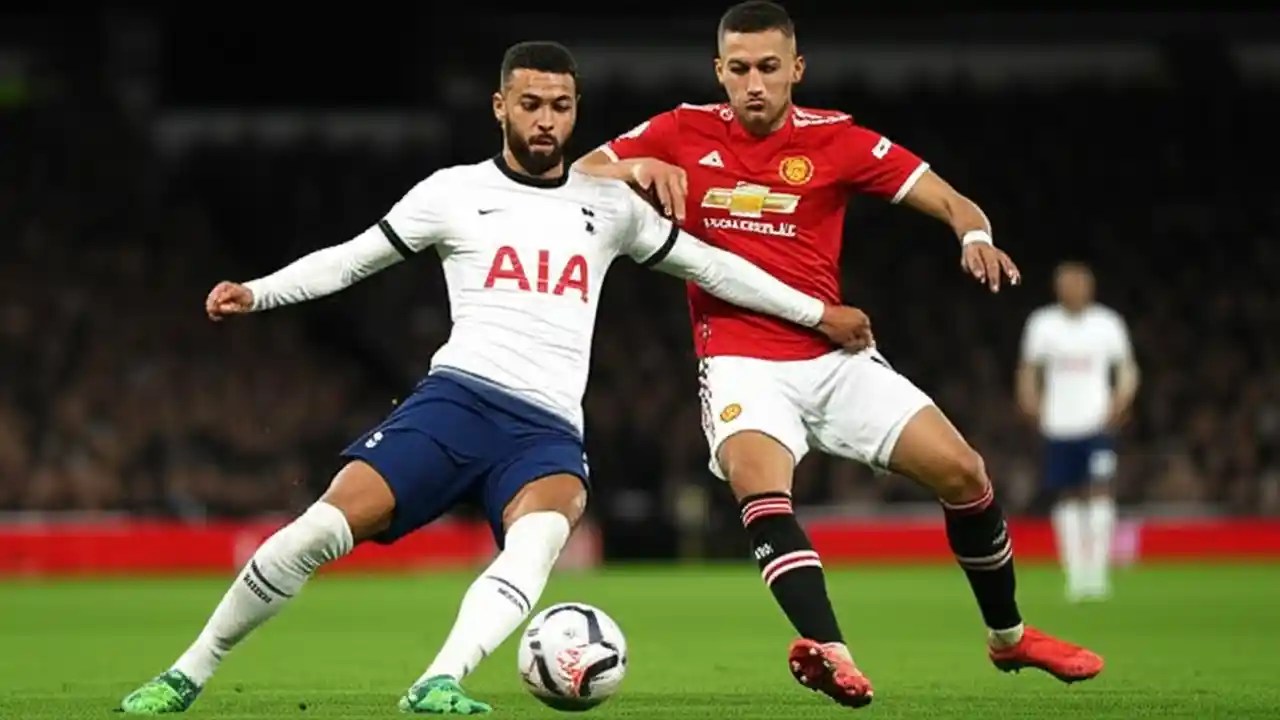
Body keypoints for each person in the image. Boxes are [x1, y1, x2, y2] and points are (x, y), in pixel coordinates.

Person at [118, 40, 874, 716]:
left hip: (545, 432)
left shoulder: (609, 206)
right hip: (456, 405)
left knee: (541, 538)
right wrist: (259, 291)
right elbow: (351, 258)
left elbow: (714, 267)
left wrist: (817, 314)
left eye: (562, 107)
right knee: (316, 531)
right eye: (532, 105)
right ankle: (187, 674)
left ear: (576, 112)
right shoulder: (451, 192)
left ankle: (438, 683)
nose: (547, 121)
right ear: (500, 107)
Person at [573, 1, 1103, 708]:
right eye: (739, 69)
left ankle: (1009, 638)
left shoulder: (838, 140)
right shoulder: (680, 129)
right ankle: (834, 652)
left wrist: (972, 237)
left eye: (768, 67)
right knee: (758, 485)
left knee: (965, 473)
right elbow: (579, 172)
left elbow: (951, 199)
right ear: (718, 72)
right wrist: (636, 164)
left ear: (796, 69)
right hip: (740, 359)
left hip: (835, 355)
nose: (754, 83)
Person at [1017, 261, 1139, 602]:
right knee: (1067, 494)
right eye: (1067, 284)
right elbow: (1029, 369)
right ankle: (1075, 573)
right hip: (1059, 423)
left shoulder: (1107, 324)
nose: (1073, 290)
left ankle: (1097, 574)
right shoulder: (1043, 324)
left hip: (1097, 422)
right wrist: (1031, 402)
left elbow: (1126, 367)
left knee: (1100, 491)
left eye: (1079, 283)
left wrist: (1121, 400)